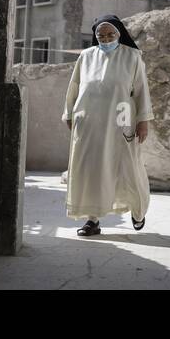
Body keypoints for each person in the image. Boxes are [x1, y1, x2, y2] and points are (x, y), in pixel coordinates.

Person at [63, 14, 153, 235]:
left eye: (110, 34)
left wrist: (143, 121)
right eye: (101, 35)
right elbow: (74, 86)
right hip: (89, 123)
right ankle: (92, 220)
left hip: (121, 121)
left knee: (129, 168)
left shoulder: (132, 56)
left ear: (119, 34)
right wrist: (70, 114)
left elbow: (141, 90)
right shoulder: (85, 56)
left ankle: (138, 210)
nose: (105, 39)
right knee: (91, 169)